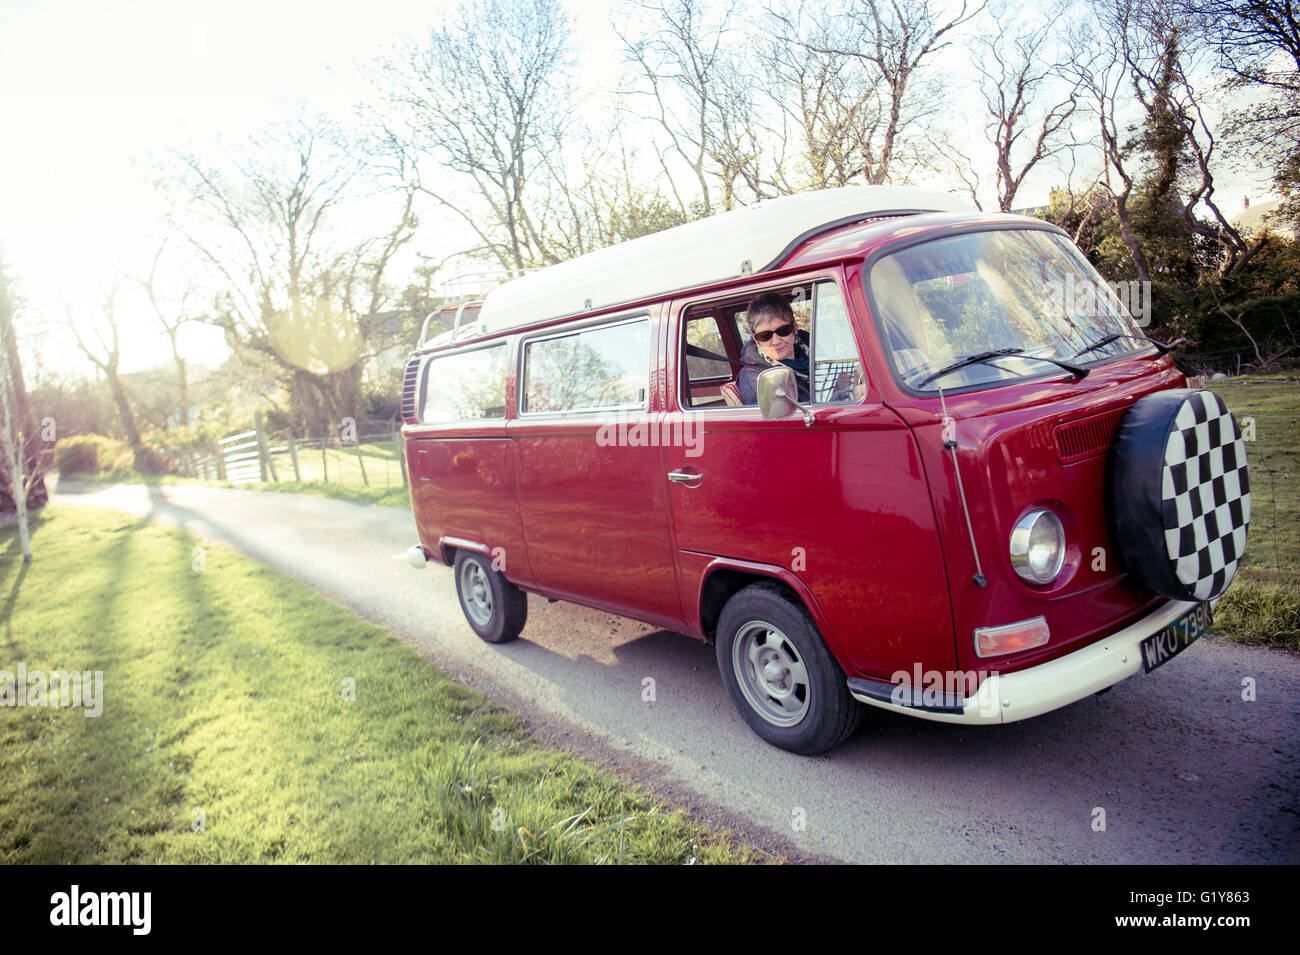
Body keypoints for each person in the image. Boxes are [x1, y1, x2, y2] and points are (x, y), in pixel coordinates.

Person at [736, 292, 812, 405]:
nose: (776, 341)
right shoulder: (754, 378)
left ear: (795, 329)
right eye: (765, 336)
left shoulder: (811, 345)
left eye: (783, 331)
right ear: (756, 340)